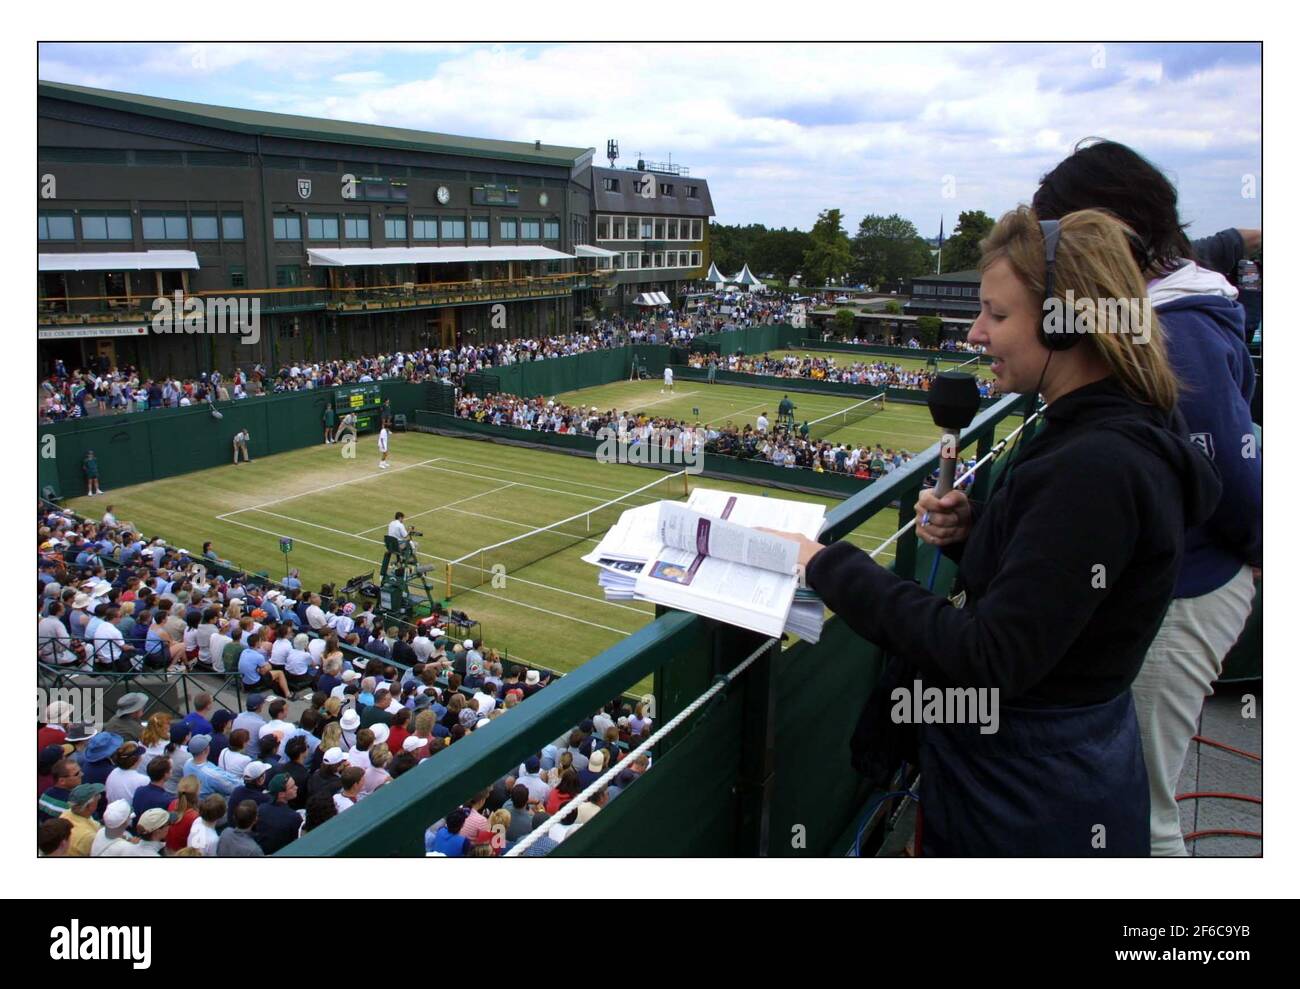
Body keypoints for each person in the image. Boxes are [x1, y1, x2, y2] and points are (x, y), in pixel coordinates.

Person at [766, 207, 1221, 856]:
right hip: (1052, 778)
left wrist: (827, 565)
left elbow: (991, 654)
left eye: (998, 315)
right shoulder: (1106, 429)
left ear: (1069, 323)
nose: (976, 334)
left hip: (1026, 803)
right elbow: (1056, 595)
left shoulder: (1096, 463)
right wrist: (975, 535)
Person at [1032, 140, 1262, 856]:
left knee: (1142, 809)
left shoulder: (1175, 328)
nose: (1054, 265)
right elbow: (1211, 245)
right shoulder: (1176, 283)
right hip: (1186, 582)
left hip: (1184, 593)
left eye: (1065, 241)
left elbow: (1232, 477)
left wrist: (1254, 563)